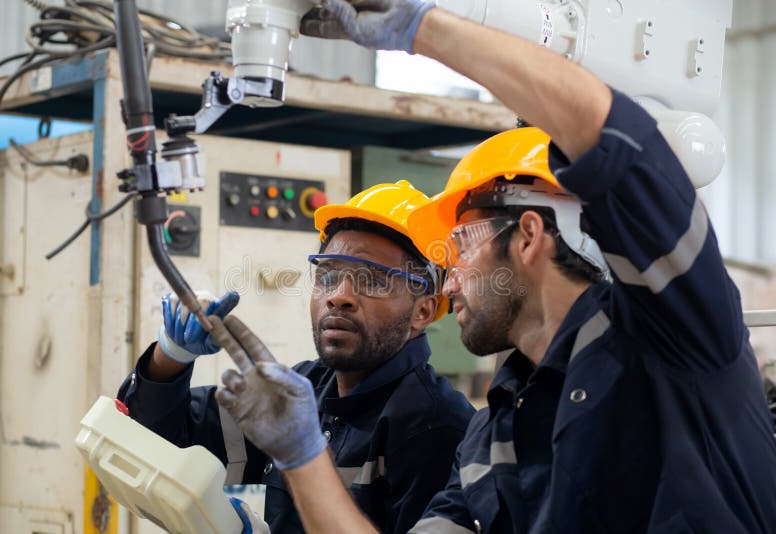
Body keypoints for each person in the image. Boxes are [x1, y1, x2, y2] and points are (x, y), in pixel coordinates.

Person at [207, 1, 776, 533]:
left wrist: (423, 27)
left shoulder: (669, 332)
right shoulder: (493, 434)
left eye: (459, 248)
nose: (449, 281)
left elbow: (624, 148)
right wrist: (303, 455)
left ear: (528, 236)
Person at [117, 180, 475, 533]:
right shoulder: (303, 392)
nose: (339, 296)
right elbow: (160, 441)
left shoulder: (437, 428)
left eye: (373, 281)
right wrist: (172, 356)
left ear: (423, 311)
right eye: (328, 276)